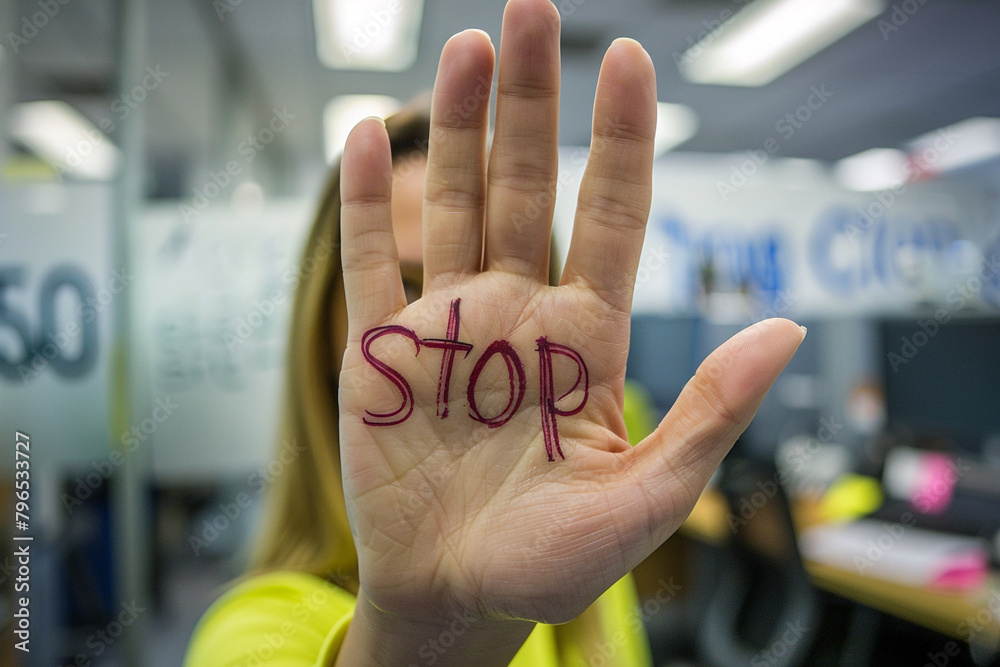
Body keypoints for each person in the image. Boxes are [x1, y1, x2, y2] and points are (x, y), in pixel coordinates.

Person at [184, 0, 806, 664]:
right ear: (324, 333)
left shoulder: (581, 557)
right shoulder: (257, 631)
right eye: (412, 289)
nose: (465, 337)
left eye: (499, 293)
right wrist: (418, 636)